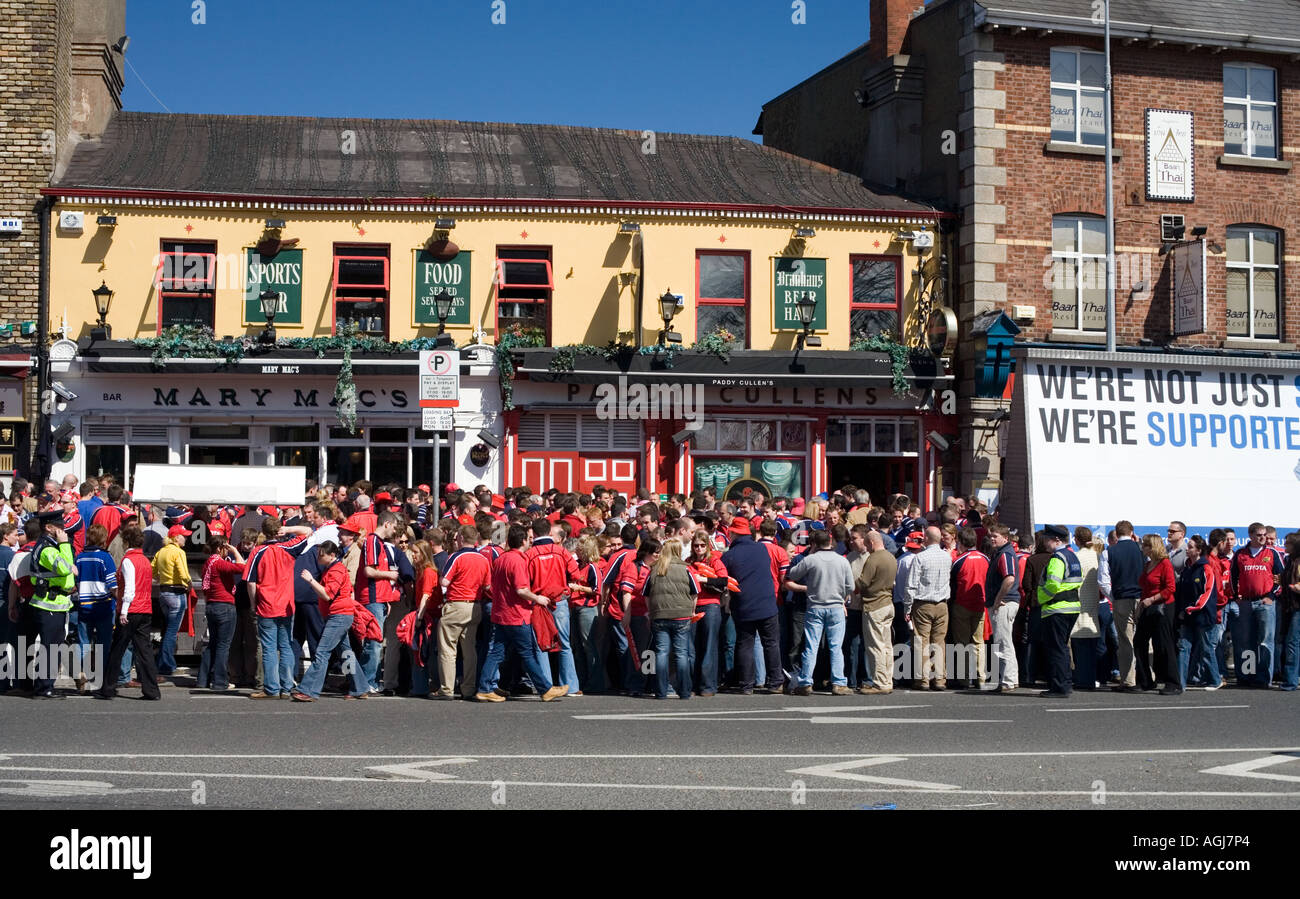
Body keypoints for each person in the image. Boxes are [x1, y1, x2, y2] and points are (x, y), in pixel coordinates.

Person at [474, 525, 567, 703]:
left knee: (496, 652)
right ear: (523, 541)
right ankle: (545, 688)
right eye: (528, 539)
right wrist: (537, 598)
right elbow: (521, 589)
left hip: (501, 612)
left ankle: (484, 688)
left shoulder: (502, 558)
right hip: (516, 614)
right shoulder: (517, 561)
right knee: (527, 653)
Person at [292, 541, 370, 701]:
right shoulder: (332, 569)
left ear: (332, 555)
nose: (319, 558)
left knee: (322, 652)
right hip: (339, 615)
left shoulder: (336, 570)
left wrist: (311, 580)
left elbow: (328, 595)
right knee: (346, 653)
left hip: (339, 615)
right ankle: (360, 687)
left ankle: (308, 690)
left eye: (322, 555)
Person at [245, 517, 311, 699]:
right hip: (286, 604)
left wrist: (253, 603)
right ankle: (287, 686)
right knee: (286, 646)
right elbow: (307, 531)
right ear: (278, 531)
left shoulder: (258, 551)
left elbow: (251, 582)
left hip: (266, 605)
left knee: (269, 648)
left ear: (263, 532)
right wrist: (288, 529)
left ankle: (272, 688)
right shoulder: (288, 548)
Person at [784, 528, 855, 696]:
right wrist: (841, 594)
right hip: (836, 606)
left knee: (811, 646)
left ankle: (806, 682)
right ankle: (838, 682)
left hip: (815, 606)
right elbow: (850, 587)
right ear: (830, 542)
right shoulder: (842, 561)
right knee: (835, 647)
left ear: (815, 543)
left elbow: (792, 574)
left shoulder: (811, 560)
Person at [94, 525, 161, 701]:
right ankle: (151, 689)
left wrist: (123, 610)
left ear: (126, 541)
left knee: (117, 650)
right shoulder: (145, 560)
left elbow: (129, 588)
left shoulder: (128, 560)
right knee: (144, 651)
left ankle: (107, 688)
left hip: (131, 609)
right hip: (145, 609)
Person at [720, 518, 784, 695]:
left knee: (745, 644)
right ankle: (775, 681)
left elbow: (722, 579)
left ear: (733, 533)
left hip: (743, 604)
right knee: (771, 643)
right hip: (767, 602)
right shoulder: (762, 549)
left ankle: (746, 684)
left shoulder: (729, 555)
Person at [525, 518, 582, 695]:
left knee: (541, 645)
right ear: (549, 532)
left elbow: (524, 579)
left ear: (533, 534)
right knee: (565, 644)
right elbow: (576, 574)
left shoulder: (529, 554)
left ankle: (546, 685)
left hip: (539, 602)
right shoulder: (561, 552)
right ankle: (571, 685)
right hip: (559, 601)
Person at [23, 509, 76, 698]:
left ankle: (44, 685)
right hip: (49, 604)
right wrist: (65, 546)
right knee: (51, 648)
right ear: (48, 527)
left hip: (55, 603)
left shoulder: (49, 546)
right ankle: (43, 687)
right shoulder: (48, 548)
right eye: (59, 526)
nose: (63, 530)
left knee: (53, 647)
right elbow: (64, 568)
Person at [436, 524, 490, 699]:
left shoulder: (456, 557)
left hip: (456, 604)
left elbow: (444, 582)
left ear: (460, 538)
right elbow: (487, 585)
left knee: (448, 649)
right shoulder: (483, 559)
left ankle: (447, 689)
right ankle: (468, 687)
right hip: (475, 605)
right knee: (470, 650)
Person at [643, 537, 699, 700]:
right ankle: (685, 691)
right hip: (681, 615)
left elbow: (646, 594)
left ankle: (660, 691)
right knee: (682, 654)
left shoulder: (655, 569)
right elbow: (695, 591)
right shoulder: (686, 569)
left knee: (661, 653)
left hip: (659, 615)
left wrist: (651, 611)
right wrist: (692, 610)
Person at [1230, 522, 1282, 689]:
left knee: (1266, 641)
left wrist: (1271, 596)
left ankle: (1264, 678)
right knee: (1246, 641)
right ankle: (1247, 676)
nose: (1263, 538)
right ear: (1251, 535)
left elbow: (1280, 577)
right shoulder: (1240, 554)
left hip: (1265, 603)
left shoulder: (1271, 553)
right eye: (1259, 535)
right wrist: (1236, 596)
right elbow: (1233, 578)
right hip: (1245, 602)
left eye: (1265, 535)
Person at [1037, 524, 1082, 697]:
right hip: (1071, 608)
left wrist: (1041, 598)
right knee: (1062, 648)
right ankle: (1065, 683)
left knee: (1056, 649)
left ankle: (1059, 686)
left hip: (1056, 608)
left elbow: (1053, 584)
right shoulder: (1072, 556)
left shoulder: (1058, 558)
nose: (1045, 543)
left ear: (1056, 540)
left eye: (1047, 540)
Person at [72, 523, 117, 694]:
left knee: (83, 642)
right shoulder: (105, 558)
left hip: (84, 605)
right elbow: (112, 585)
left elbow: (75, 583)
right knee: (103, 644)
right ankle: (99, 680)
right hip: (104, 606)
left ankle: (79, 671)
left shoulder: (80, 558)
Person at [197, 533, 245, 692]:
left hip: (211, 605)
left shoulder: (208, 563)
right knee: (223, 646)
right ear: (220, 548)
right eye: (225, 547)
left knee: (212, 644)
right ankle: (220, 681)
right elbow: (241, 568)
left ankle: (203, 679)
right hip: (224, 605)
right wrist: (235, 551)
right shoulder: (219, 563)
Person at [907, 527, 952, 690]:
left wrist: (907, 608)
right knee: (939, 642)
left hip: (923, 603)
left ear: (926, 538)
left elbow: (911, 585)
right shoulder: (947, 557)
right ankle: (939, 679)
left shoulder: (920, 557)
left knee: (921, 641)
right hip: (942, 604)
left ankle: (923, 679)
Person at [1134, 533, 1179, 694]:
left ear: (1152, 547)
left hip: (1163, 608)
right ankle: (1145, 680)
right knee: (1139, 641)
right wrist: (1142, 604)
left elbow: (1170, 588)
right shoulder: (1148, 564)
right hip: (1148, 607)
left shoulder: (1165, 563)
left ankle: (1173, 682)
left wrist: (1152, 599)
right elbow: (1144, 586)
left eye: (1145, 545)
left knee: (1164, 645)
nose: (1143, 548)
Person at [1175, 535, 1220, 691]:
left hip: (1203, 616)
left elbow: (1207, 593)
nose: (1188, 549)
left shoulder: (1206, 568)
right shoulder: (1187, 569)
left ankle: (1215, 679)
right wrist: (1182, 610)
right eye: (1188, 547)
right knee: (1183, 647)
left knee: (1206, 648)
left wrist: (1193, 608)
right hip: (1187, 616)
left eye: (1191, 547)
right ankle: (1180, 684)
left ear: (1199, 550)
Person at [687, 532, 729, 697]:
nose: (699, 549)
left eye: (702, 545)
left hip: (711, 605)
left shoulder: (714, 560)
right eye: (696, 545)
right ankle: (693, 683)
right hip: (693, 606)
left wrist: (704, 580)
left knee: (709, 646)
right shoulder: (689, 561)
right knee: (693, 646)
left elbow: (724, 580)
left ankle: (708, 686)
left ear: (707, 545)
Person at [1104, 521, 1144, 693]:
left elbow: (1103, 581)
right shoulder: (1142, 550)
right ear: (1132, 532)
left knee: (1125, 641)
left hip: (1122, 598)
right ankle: (1147, 676)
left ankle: (1128, 680)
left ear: (1117, 533)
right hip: (1142, 597)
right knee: (1144, 639)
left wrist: (1114, 597)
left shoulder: (1109, 551)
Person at [151, 523, 193, 680]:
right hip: (176, 592)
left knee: (167, 629)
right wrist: (189, 585)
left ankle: (162, 661)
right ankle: (166, 664)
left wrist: (162, 579)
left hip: (164, 592)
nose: (186, 539)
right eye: (184, 536)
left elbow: (152, 570)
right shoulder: (178, 552)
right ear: (176, 538)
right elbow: (183, 573)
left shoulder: (161, 551)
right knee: (171, 632)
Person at [949, 528, 988, 689]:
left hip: (962, 604)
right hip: (980, 604)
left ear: (961, 542)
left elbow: (952, 583)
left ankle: (964, 678)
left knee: (962, 643)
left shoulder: (959, 560)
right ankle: (981, 677)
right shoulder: (986, 559)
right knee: (978, 643)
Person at [985, 524, 1020, 693]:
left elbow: (1009, 579)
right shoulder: (1001, 553)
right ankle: (1010, 679)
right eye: (991, 536)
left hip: (1005, 602)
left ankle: (1007, 680)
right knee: (1005, 642)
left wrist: (998, 599)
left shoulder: (1005, 554)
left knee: (1002, 642)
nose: (992, 538)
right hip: (1006, 601)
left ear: (1005, 538)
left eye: (996, 536)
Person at [1069, 527, 1102, 690]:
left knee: (1079, 646)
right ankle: (1089, 678)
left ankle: (1082, 679)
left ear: (1076, 540)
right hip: (1093, 603)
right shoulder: (1097, 556)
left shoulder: (1076, 557)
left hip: (1079, 603)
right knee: (1091, 647)